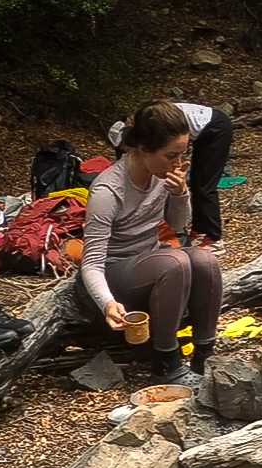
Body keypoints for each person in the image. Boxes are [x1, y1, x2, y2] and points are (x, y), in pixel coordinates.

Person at [83, 99, 223, 387]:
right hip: (114, 273)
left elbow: (174, 225)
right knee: (176, 262)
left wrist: (180, 194)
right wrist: (107, 303)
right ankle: (165, 363)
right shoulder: (108, 191)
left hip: (151, 262)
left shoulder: (161, 176)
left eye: (183, 155)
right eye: (171, 156)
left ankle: (204, 355)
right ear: (144, 150)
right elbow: (92, 262)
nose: (178, 163)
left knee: (205, 259)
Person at [107, 100, 234, 246]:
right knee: (196, 182)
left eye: (124, 147)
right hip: (204, 131)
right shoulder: (146, 122)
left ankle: (213, 237)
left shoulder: (155, 122)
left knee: (205, 185)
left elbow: (170, 145)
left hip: (216, 128)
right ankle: (199, 230)